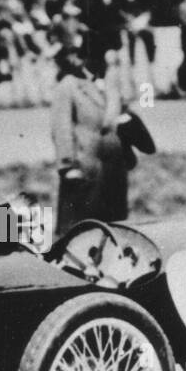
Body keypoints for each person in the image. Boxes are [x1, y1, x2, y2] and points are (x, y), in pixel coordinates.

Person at [51, 40, 134, 234]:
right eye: (98, 57)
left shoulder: (110, 83)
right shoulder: (69, 86)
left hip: (113, 167)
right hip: (85, 167)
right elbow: (62, 128)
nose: (103, 63)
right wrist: (67, 165)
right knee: (80, 228)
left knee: (115, 227)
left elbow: (123, 111)